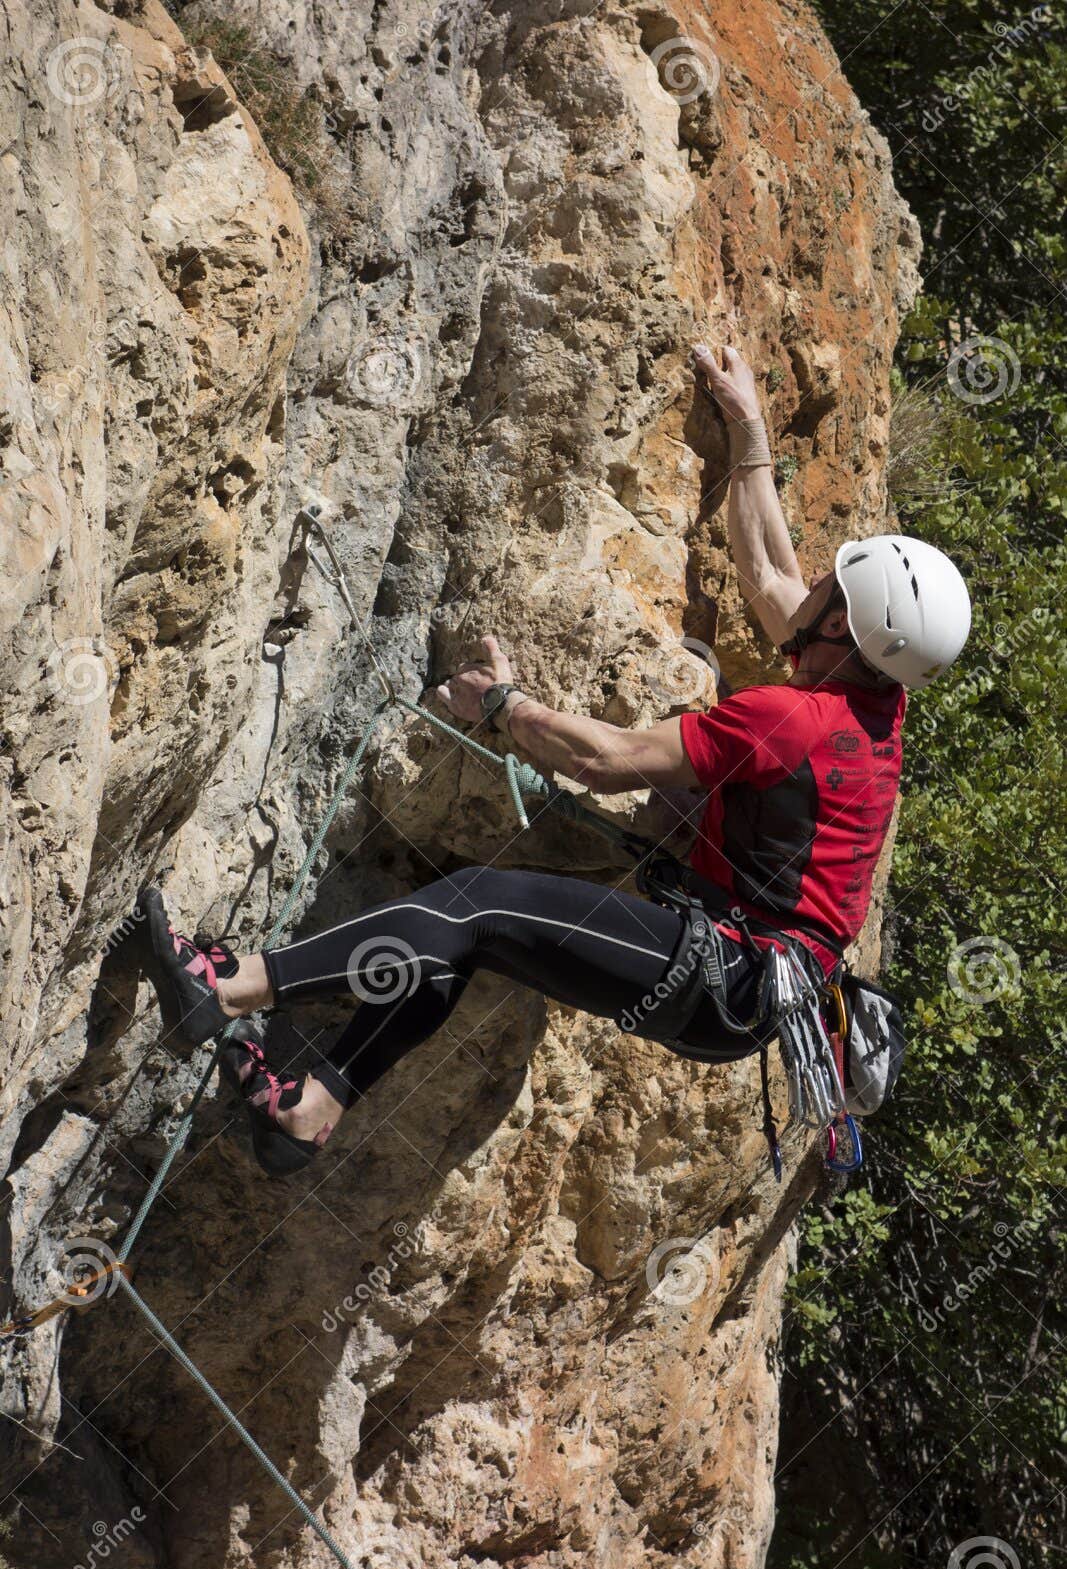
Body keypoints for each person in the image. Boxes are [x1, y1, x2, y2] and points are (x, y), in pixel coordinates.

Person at [136, 346, 971, 1177]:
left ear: (842, 632)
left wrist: (503, 707)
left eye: (837, 584)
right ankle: (308, 1109)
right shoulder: (872, 697)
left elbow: (607, 760)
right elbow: (768, 574)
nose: (821, 577)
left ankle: (230, 984)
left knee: (471, 903)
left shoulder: (791, 718)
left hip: (728, 974)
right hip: (750, 992)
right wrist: (746, 431)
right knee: (474, 938)